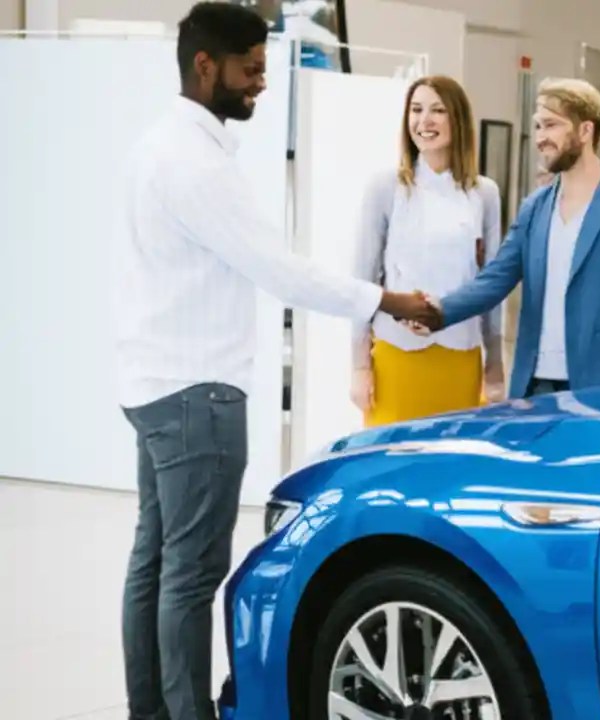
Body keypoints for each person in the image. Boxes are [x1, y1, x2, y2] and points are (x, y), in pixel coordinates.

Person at [108, 4, 438, 719]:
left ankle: (151, 713)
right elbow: (281, 271)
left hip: (154, 383)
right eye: (251, 69)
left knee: (155, 564)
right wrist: (390, 300)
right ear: (205, 66)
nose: (262, 82)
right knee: (190, 577)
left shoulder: (156, 145)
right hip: (198, 392)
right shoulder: (194, 164)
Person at [414, 77, 600, 398]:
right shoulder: (535, 206)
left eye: (551, 126)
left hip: (598, 387)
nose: (541, 138)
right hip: (533, 386)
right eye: (538, 127)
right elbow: (495, 279)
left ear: (585, 131)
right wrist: (439, 310)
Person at [350, 75, 505, 426]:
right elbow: (362, 281)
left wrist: (495, 367)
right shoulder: (385, 186)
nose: (424, 121)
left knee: (450, 469)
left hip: (460, 356)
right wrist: (359, 366)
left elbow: (492, 287)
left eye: (437, 110)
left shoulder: (485, 193)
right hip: (396, 356)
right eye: (416, 110)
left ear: (458, 120)